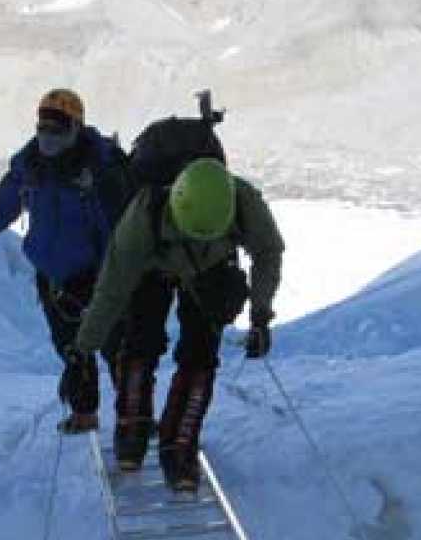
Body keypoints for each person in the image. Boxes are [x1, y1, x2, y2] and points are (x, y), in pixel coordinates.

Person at [70, 158, 284, 492]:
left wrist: (260, 317)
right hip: (153, 263)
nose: (197, 239)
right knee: (141, 337)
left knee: (200, 352)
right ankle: (133, 425)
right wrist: (83, 350)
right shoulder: (144, 216)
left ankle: (179, 442)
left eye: (205, 236)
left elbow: (268, 252)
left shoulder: (244, 204)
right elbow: (112, 289)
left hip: (211, 269)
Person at [0, 88, 130, 433]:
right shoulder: (30, 168)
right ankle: (86, 412)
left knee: (115, 344)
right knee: (69, 346)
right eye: (44, 126)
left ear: (75, 127)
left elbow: (120, 220)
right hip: (52, 275)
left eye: (57, 127)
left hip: (99, 273)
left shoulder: (100, 167)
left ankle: (132, 413)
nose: (48, 135)